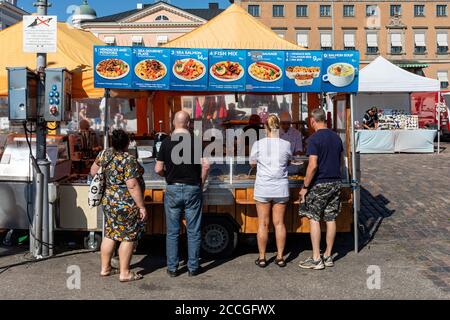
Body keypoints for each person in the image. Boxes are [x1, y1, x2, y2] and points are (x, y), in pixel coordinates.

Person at [155, 111, 210, 277]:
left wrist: (167, 176)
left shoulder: (165, 143)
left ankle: (172, 268)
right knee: (193, 231)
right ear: (188, 124)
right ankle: (193, 267)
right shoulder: (195, 142)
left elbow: (158, 169)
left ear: (173, 123)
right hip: (192, 188)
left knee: (172, 231)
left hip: (172, 188)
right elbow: (206, 166)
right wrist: (200, 183)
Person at [90, 129, 147, 282]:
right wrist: (141, 206)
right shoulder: (128, 159)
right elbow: (132, 185)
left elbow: (93, 171)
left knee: (110, 234)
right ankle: (125, 273)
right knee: (127, 237)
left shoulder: (104, 154)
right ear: (127, 143)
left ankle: (105, 268)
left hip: (108, 201)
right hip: (126, 204)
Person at [298, 108, 343, 270]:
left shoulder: (314, 139)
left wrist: (304, 187)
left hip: (319, 183)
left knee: (314, 218)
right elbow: (341, 162)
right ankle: (328, 255)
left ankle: (316, 258)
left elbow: (312, 165)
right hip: (336, 181)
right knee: (331, 218)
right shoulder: (336, 138)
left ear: (312, 121)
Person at [250, 114, 292, 268]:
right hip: (280, 187)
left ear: (265, 127)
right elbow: (289, 160)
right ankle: (280, 257)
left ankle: (262, 258)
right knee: (279, 223)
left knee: (263, 224)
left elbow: (252, 163)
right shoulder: (286, 144)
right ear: (279, 126)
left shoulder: (258, 144)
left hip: (263, 187)